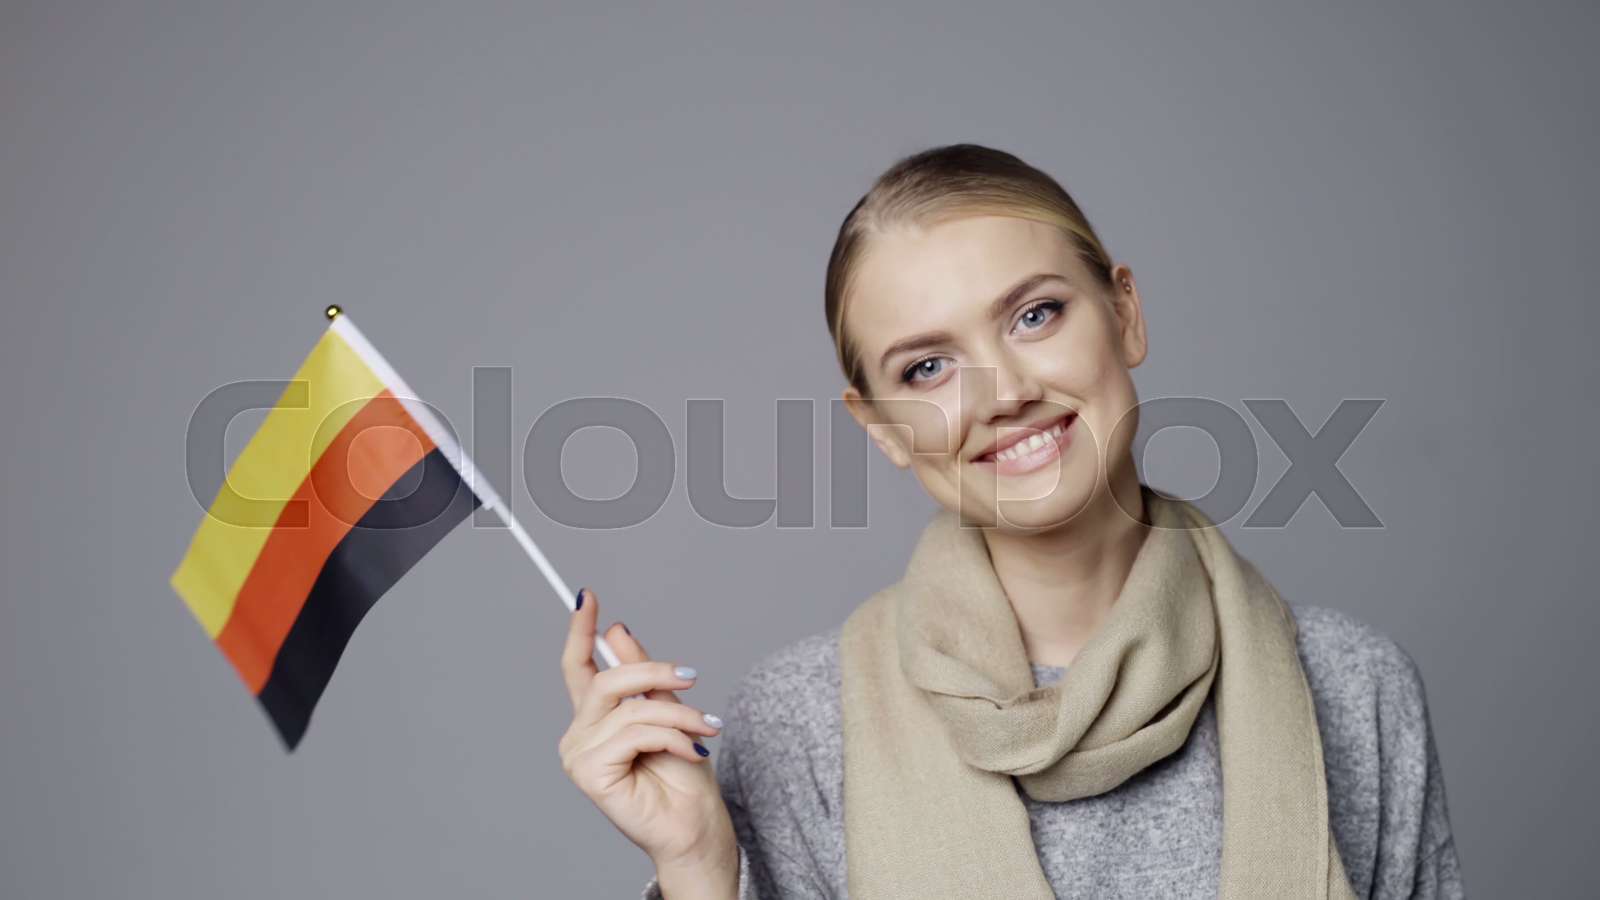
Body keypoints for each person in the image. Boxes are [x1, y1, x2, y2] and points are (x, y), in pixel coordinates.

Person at [557, 143, 1465, 899]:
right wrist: (699, 870)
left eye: (1035, 315)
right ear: (883, 430)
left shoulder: (1353, 689)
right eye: (927, 369)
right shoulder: (799, 724)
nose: (1006, 392)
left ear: (1125, 315)